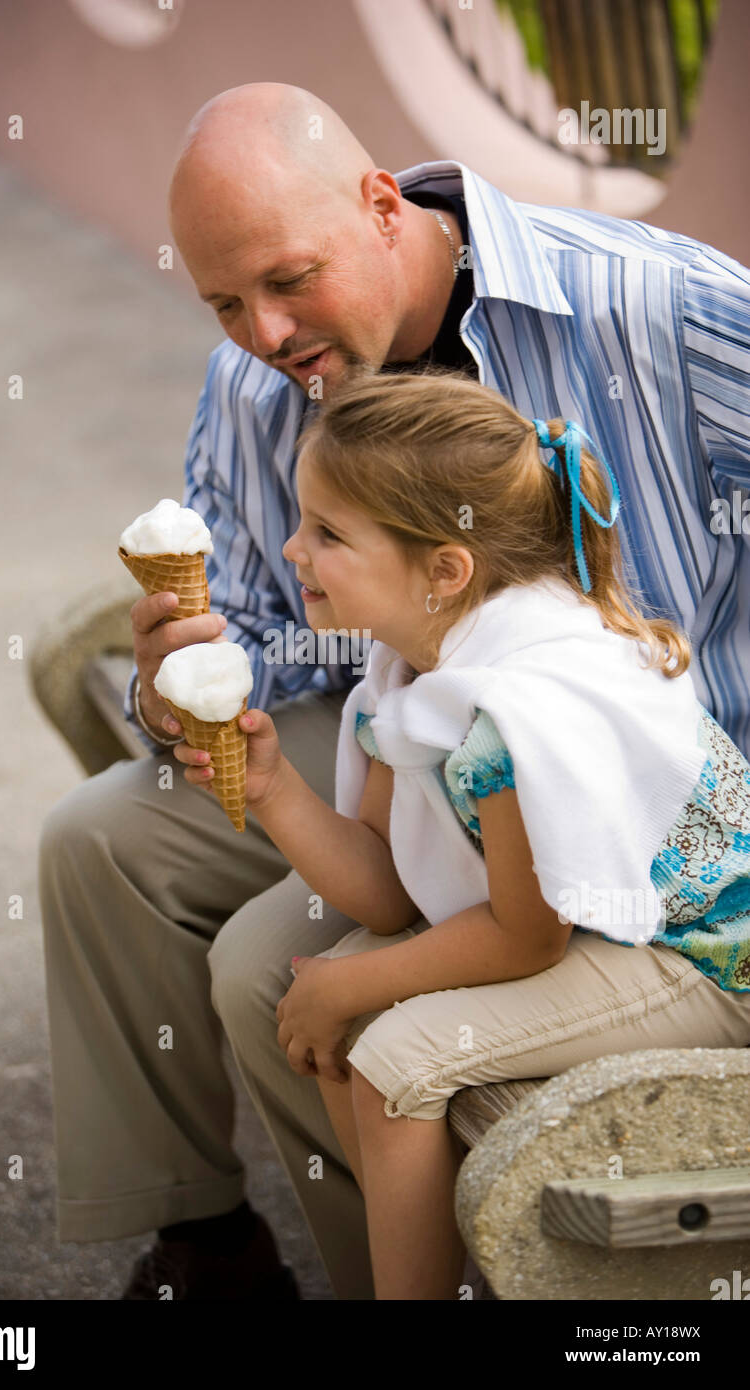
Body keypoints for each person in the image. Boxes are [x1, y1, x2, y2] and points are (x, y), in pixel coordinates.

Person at [38, 81, 750, 1301]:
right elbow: (268, 630)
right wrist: (193, 681)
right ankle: (227, 1246)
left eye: (286, 280)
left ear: (380, 207)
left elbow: (522, 899)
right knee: (114, 850)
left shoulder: (657, 306)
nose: (261, 335)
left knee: (307, 979)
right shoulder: (261, 395)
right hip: (428, 739)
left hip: (668, 793)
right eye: (222, 304)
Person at [175, 368, 750, 1299]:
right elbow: (388, 889)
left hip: (707, 963)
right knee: (351, 1019)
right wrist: (273, 783)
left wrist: (352, 978)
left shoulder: (519, 712)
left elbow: (528, 935)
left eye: (328, 533)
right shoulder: (415, 671)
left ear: (446, 569)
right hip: (606, 940)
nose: (292, 551)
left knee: (395, 1056)